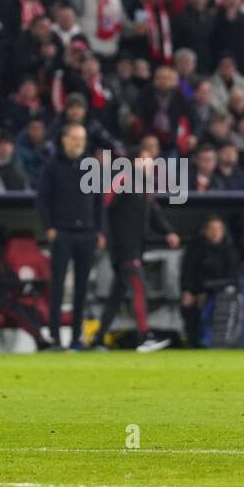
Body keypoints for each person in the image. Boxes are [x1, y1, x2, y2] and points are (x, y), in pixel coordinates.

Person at [94, 148, 181, 352]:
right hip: (124, 247)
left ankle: (98, 339)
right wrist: (102, 233)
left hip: (134, 247)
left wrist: (168, 232)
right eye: (145, 159)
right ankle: (144, 337)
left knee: (117, 294)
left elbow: (153, 215)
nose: (149, 163)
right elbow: (104, 205)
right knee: (139, 286)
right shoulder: (123, 179)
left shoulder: (144, 187)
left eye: (150, 160)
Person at [36, 122, 104, 350]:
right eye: (75, 138)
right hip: (62, 233)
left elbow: (99, 202)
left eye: (81, 139)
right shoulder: (52, 166)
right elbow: (43, 200)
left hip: (86, 233)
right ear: (64, 139)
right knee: (57, 286)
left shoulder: (91, 166)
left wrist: (100, 230)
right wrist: (49, 228)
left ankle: (77, 338)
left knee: (82, 289)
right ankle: (55, 337)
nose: (78, 143)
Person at [180, 215, 240, 347]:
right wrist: (189, 291)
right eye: (211, 229)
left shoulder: (229, 251)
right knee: (188, 304)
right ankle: (193, 343)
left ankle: (217, 342)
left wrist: (208, 291)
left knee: (222, 301)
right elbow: (188, 274)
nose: (215, 233)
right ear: (205, 231)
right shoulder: (195, 250)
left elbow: (232, 280)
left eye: (218, 229)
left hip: (220, 295)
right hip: (198, 292)